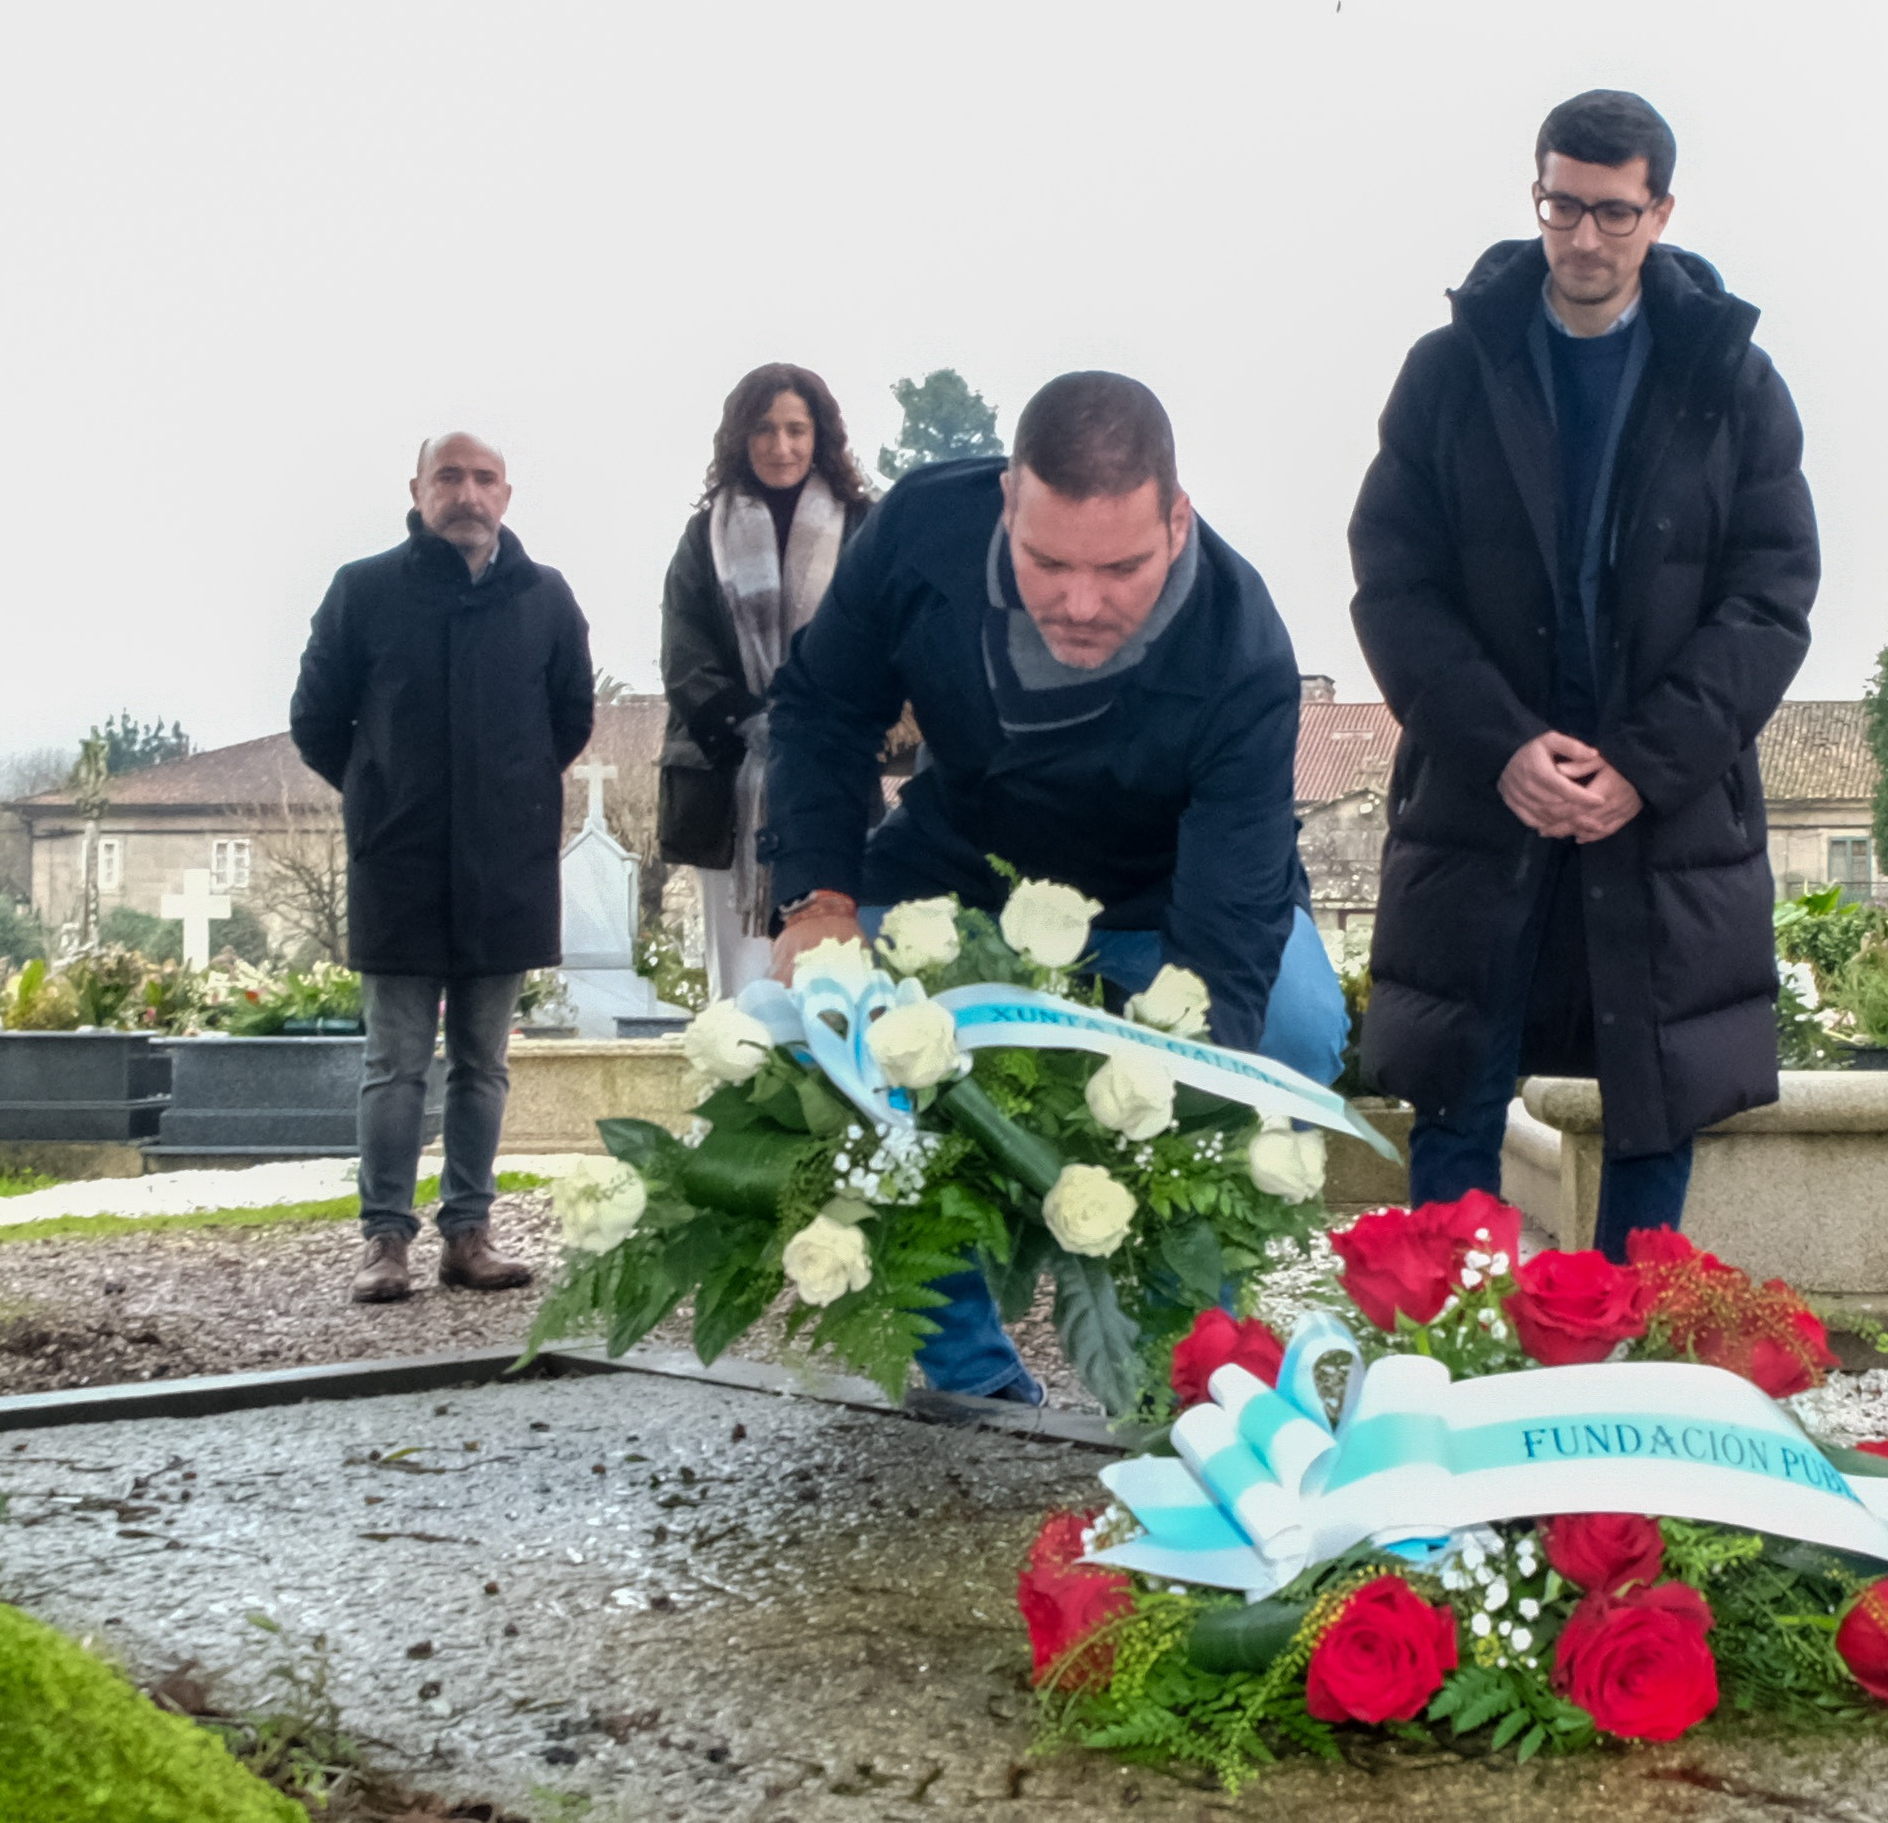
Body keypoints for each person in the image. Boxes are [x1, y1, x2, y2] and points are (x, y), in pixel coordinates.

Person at [763, 369, 1346, 1402]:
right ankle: (970, 1382)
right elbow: (822, 706)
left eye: (1120, 568)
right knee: (843, 1023)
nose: (1081, 604)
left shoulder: (1243, 646)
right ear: (1005, 506)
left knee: (1293, 1031)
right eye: (1046, 562)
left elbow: (1228, 929)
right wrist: (817, 899)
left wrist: (1179, 1070)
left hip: (1166, 896)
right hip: (961, 865)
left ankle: (1188, 1362)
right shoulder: (917, 529)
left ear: (1177, 520)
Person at [1348, 89, 1820, 1260]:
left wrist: (1647, 764)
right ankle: (1448, 1354)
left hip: (1659, 809)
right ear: (1537, 196)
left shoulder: (1734, 382)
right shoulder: (1448, 372)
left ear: (1661, 210)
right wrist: (1501, 744)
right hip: (1481, 792)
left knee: (1655, 1097)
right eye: (1565, 206)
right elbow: (1393, 581)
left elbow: (1771, 595)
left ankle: (1627, 1367)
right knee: (1458, 1093)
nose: (1587, 239)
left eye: (1615, 211)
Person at [291, 431, 597, 1304]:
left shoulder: (544, 598)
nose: (467, 493)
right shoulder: (363, 591)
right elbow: (317, 719)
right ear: (418, 490)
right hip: (401, 860)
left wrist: (515, 794)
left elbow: (568, 716)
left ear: (507, 492)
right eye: (449, 478)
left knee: (483, 1061)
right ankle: (383, 1241)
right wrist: (377, 791)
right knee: (394, 1062)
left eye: (483, 478)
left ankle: (469, 1233)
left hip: (504, 866)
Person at [659, 364, 875, 997]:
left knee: (830, 988)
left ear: (821, 436)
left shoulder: (865, 529)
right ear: (739, 438)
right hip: (730, 789)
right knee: (744, 991)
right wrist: (760, 726)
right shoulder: (705, 537)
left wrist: (817, 727)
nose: (781, 447)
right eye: (764, 430)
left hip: (834, 777)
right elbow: (685, 656)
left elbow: (882, 637)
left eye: (796, 430)